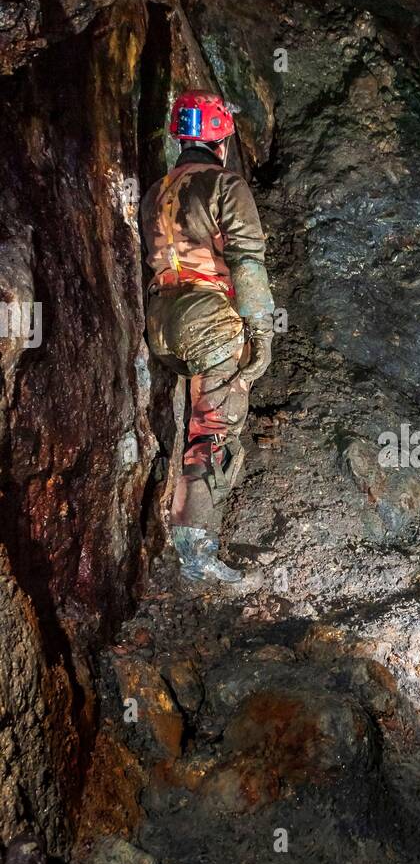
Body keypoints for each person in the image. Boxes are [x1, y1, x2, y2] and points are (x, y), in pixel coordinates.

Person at [141, 89, 274, 583]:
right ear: (221, 138)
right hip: (208, 318)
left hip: (161, 320)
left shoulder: (156, 192)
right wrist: (262, 334)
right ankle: (195, 557)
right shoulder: (224, 184)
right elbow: (247, 262)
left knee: (196, 421)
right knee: (214, 430)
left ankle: (184, 532)